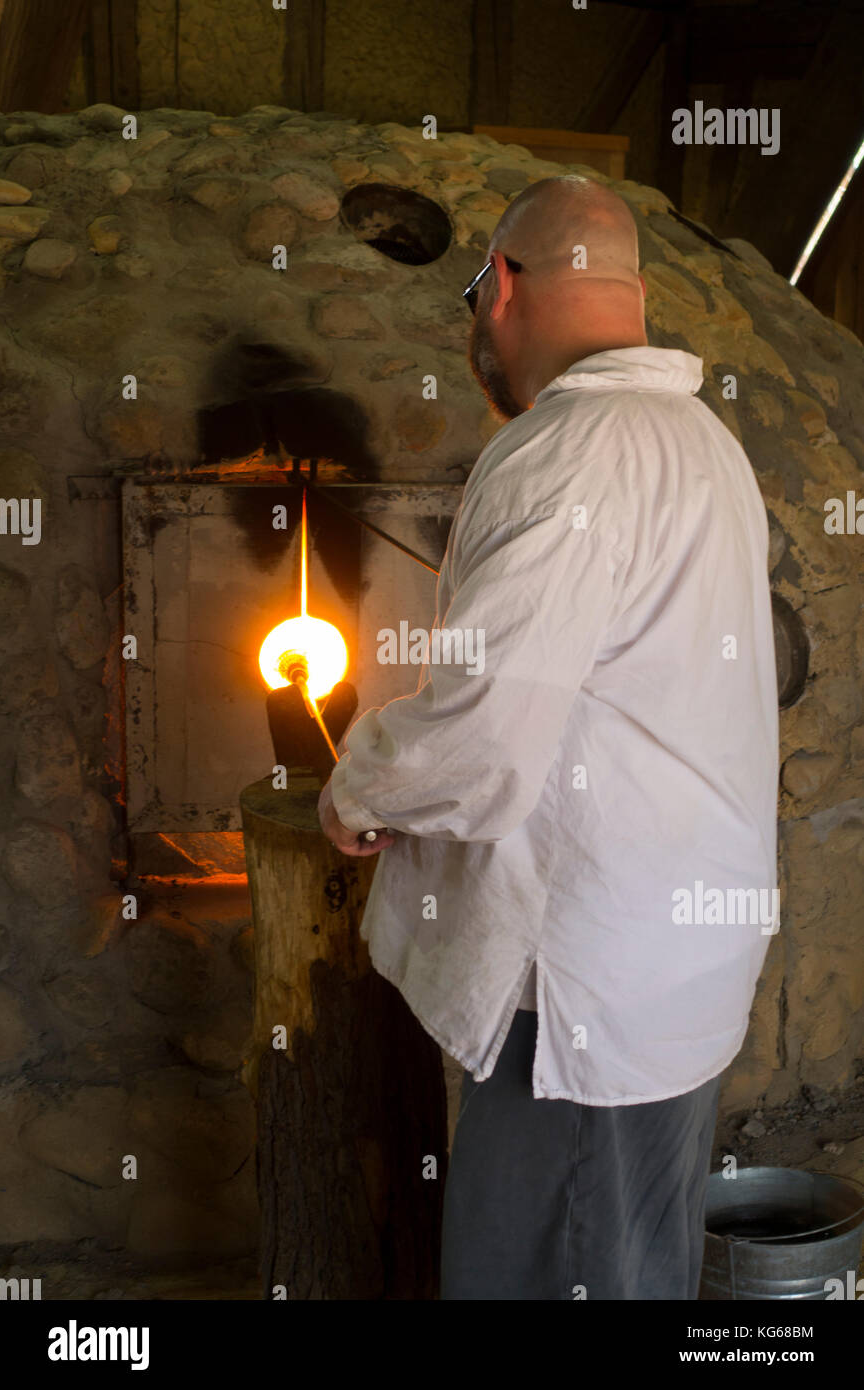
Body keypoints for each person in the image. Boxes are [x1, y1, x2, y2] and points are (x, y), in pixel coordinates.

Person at [317, 174, 779, 1300]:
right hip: (670, 976)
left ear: (506, 284)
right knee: (633, 1270)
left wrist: (360, 784)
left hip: (578, 999)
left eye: (478, 289)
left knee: (546, 1274)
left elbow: (483, 736)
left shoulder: (565, 453)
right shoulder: (703, 442)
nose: (478, 317)